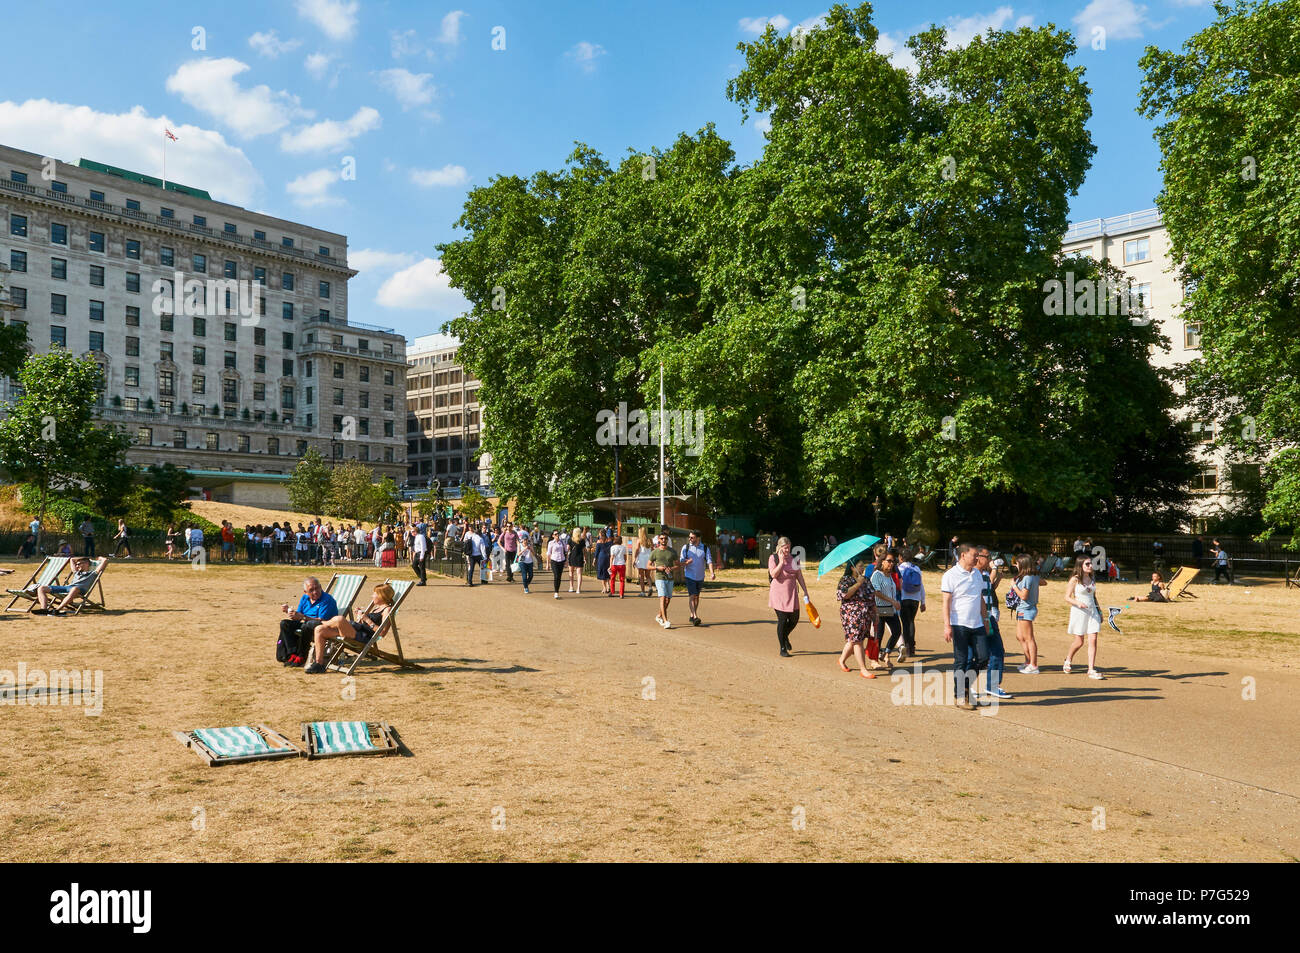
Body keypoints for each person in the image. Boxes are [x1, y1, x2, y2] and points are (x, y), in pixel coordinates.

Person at [306, 583, 396, 674]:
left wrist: (366, 619)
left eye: (374, 593)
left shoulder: (387, 610)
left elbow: (382, 633)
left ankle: (320, 622)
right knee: (319, 630)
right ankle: (319, 664)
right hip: (356, 631)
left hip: (363, 637)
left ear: (382, 595)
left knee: (339, 619)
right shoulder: (377, 608)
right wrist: (361, 618)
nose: (372, 596)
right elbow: (366, 624)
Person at [940, 543, 987, 710]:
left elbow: (980, 598)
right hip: (959, 624)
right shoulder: (950, 575)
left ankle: (965, 686)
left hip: (977, 624)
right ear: (963, 555)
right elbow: (946, 602)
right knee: (961, 660)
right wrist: (947, 625)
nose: (977, 558)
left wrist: (986, 619)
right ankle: (960, 696)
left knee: (983, 658)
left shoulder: (977, 574)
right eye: (974, 555)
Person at [974, 548, 1012, 699]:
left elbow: (989, 589)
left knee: (997, 650)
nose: (990, 559)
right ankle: (966, 686)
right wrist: (994, 568)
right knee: (975, 654)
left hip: (989, 617)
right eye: (987, 556)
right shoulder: (973, 574)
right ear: (978, 557)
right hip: (976, 619)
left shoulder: (983, 574)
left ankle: (992, 685)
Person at [278, 577, 340, 668]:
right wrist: (290, 612)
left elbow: (321, 621)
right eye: (311, 590)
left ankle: (302, 656)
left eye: (317, 588)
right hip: (307, 624)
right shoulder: (305, 598)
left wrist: (302, 617)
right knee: (285, 623)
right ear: (305, 592)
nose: (315, 592)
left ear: (320, 587)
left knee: (308, 625)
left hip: (323, 627)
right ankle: (292, 654)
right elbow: (299, 617)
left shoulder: (327, 600)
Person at [836, 556, 879, 679]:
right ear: (852, 568)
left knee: (854, 640)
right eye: (860, 566)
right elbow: (844, 595)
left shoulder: (866, 579)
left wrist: (875, 614)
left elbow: (872, 597)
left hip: (865, 614)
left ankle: (841, 660)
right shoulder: (846, 579)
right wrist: (857, 584)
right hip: (851, 614)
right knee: (857, 641)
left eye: (863, 566)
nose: (862, 568)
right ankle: (863, 669)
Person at [768, 537, 810, 657]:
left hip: (791, 593)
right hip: (778, 594)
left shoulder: (794, 559)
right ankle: (782, 648)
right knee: (782, 620)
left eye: (789, 547)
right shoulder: (773, 558)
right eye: (785, 548)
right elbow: (774, 574)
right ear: (780, 547)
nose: (787, 550)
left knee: (794, 619)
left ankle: (784, 636)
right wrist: (781, 562)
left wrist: (805, 591)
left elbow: (799, 576)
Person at [1064, 559, 1104, 679]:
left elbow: (1094, 597)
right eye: (1087, 564)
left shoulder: (1092, 579)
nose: (1090, 566)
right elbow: (1066, 597)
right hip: (1079, 612)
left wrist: (1100, 611)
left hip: (1093, 612)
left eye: (1091, 564)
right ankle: (1068, 659)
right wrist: (1077, 603)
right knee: (1079, 642)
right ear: (1080, 565)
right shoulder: (1075, 579)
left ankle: (1091, 669)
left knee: (1093, 639)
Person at [31, 555, 107, 615]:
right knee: (41, 588)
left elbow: (105, 560)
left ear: (86, 563)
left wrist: (100, 558)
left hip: (79, 590)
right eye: (76, 564)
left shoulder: (93, 574)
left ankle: (57, 610)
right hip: (67, 588)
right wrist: (82, 559)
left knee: (75, 589)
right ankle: (44, 609)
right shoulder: (76, 572)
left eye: (79, 564)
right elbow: (71, 560)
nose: (77, 566)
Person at [1008, 554, 1041, 674]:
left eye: (1017, 563)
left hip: (1026, 609)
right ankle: (1028, 661)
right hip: (1023, 609)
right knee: (1020, 636)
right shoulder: (1032, 576)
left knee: (1029, 638)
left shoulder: (1027, 577)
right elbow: (1043, 582)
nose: (1015, 565)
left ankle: (1033, 664)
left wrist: (1014, 585)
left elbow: (1023, 595)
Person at [872, 552, 903, 666]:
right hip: (879, 609)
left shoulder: (890, 576)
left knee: (897, 631)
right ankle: (874, 660)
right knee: (879, 635)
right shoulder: (876, 575)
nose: (891, 563)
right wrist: (892, 601)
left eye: (893, 561)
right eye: (889, 561)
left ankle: (886, 653)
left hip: (890, 609)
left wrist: (895, 602)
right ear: (882, 561)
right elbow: (876, 592)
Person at [679, 530, 715, 625]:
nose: (690, 539)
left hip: (700, 576)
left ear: (698, 538)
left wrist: (712, 573)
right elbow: (681, 561)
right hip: (689, 575)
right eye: (689, 537)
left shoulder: (705, 548)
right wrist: (686, 562)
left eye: (692, 537)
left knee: (697, 596)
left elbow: (709, 561)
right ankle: (695, 616)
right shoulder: (686, 547)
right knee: (692, 595)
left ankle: (692, 615)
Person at [896, 549, 926, 663]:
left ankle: (907, 647)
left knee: (905, 623)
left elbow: (898, 585)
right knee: (911, 622)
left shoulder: (900, 569)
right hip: (915, 599)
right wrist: (923, 602)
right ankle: (912, 647)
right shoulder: (917, 568)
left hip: (904, 598)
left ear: (901, 557)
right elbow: (921, 586)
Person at [648, 533, 679, 628]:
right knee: (662, 597)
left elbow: (678, 565)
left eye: (665, 538)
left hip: (669, 577)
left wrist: (671, 568)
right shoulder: (655, 552)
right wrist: (657, 567)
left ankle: (659, 616)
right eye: (662, 538)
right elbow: (648, 566)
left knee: (668, 599)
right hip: (659, 577)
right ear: (658, 540)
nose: (663, 540)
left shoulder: (672, 551)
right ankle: (666, 620)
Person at [547, 530, 568, 599]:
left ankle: (557, 591)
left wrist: (566, 561)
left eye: (558, 534)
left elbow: (566, 551)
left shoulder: (562, 542)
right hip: (554, 561)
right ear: (553, 535)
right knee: (556, 575)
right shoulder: (551, 543)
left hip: (561, 560)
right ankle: (556, 592)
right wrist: (548, 564)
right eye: (555, 534)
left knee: (559, 577)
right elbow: (548, 554)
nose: (557, 535)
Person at [633, 526, 653, 596]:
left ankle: (643, 592)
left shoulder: (639, 540)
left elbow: (637, 550)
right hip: (648, 559)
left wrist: (635, 559)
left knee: (641, 576)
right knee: (648, 575)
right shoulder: (650, 539)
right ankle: (650, 587)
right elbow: (652, 549)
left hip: (641, 559)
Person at [566, 527, 587, 594]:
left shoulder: (570, 540)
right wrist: (585, 558)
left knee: (571, 573)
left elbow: (567, 549)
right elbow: (584, 550)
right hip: (579, 557)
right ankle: (578, 588)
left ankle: (571, 587)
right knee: (579, 574)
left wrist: (566, 558)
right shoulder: (582, 541)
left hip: (572, 557)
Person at [594, 530, 612, 594]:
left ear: (600, 534)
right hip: (608, 557)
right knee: (607, 572)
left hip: (601, 557)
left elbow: (596, 552)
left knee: (602, 572)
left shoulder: (599, 541)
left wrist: (594, 559)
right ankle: (608, 585)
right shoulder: (609, 541)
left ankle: (604, 588)